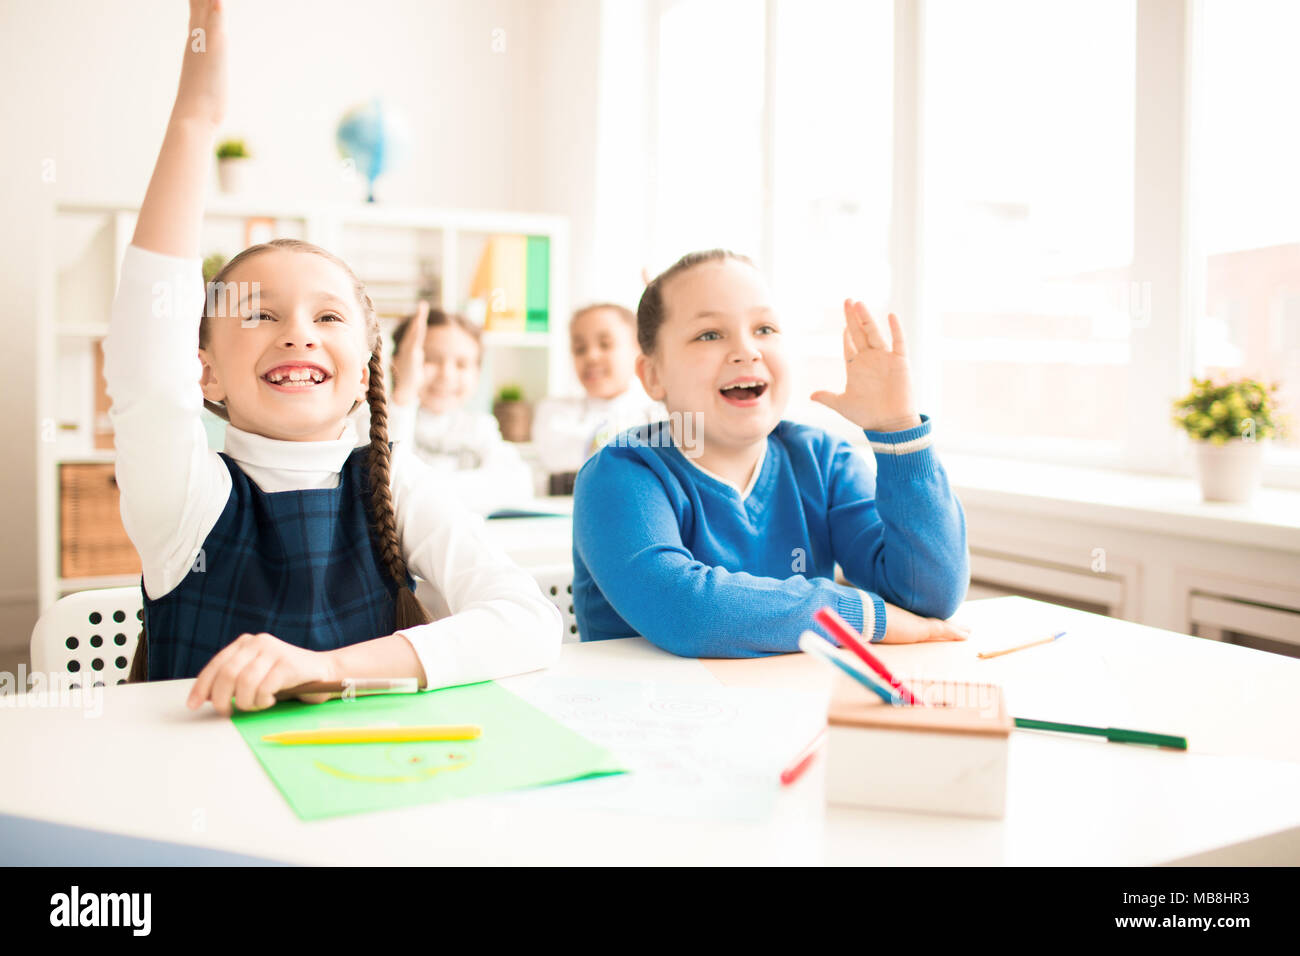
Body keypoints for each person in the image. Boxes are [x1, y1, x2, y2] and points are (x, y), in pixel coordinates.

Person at [102, 0, 560, 713]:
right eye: (258, 314)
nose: (298, 333)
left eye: (327, 316)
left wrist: (325, 668)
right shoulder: (185, 499)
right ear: (206, 371)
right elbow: (147, 363)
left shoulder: (389, 482)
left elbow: (528, 623)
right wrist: (196, 116)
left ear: (366, 368)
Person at [572, 250, 971, 655]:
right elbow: (685, 611)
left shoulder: (823, 461)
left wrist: (898, 430)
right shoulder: (620, 473)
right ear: (653, 376)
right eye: (709, 334)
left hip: (789, 710)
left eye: (764, 329)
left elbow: (928, 597)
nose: (747, 351)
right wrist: (861, 616)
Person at [388, 302, 534, 514]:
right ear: (398, 364)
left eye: (462, 364)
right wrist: (405, 393)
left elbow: (517, 484)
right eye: (429, 360)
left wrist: (423, 490)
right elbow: (389, 486)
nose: (447, 375)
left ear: (478, 373)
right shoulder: (377, 421)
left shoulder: (479, 427)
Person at [532, 304, 665, 492]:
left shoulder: (659, 412)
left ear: (640, 349)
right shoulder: (553, 411)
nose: (592, 356)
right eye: (580, 349)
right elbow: (555, 457)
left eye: (605, 345)